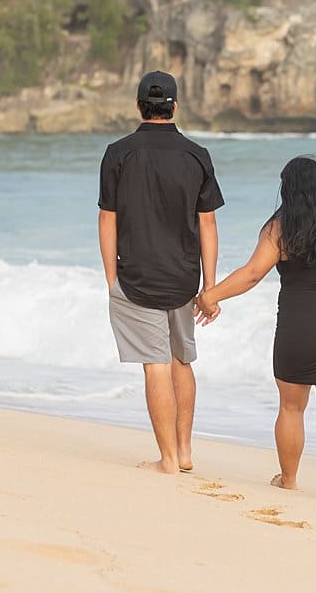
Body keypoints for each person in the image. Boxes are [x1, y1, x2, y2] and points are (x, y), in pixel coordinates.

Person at [195, 156, 316, 505]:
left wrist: (209, 297)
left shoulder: (279, 229)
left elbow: (251, 274)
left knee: (291, 408)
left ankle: (289, 480)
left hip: (297, 326)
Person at [98, 70, 224, 474]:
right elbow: (208, 224)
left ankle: (167, 459)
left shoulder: (118, 153)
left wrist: (110, 277)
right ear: (174, 106)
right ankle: (184, 452)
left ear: (139, 106)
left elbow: (107, 219)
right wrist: (210, 286)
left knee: (156, 366)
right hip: (184, 279)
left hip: (135, 278)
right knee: (181, 361)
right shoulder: (197, 155)